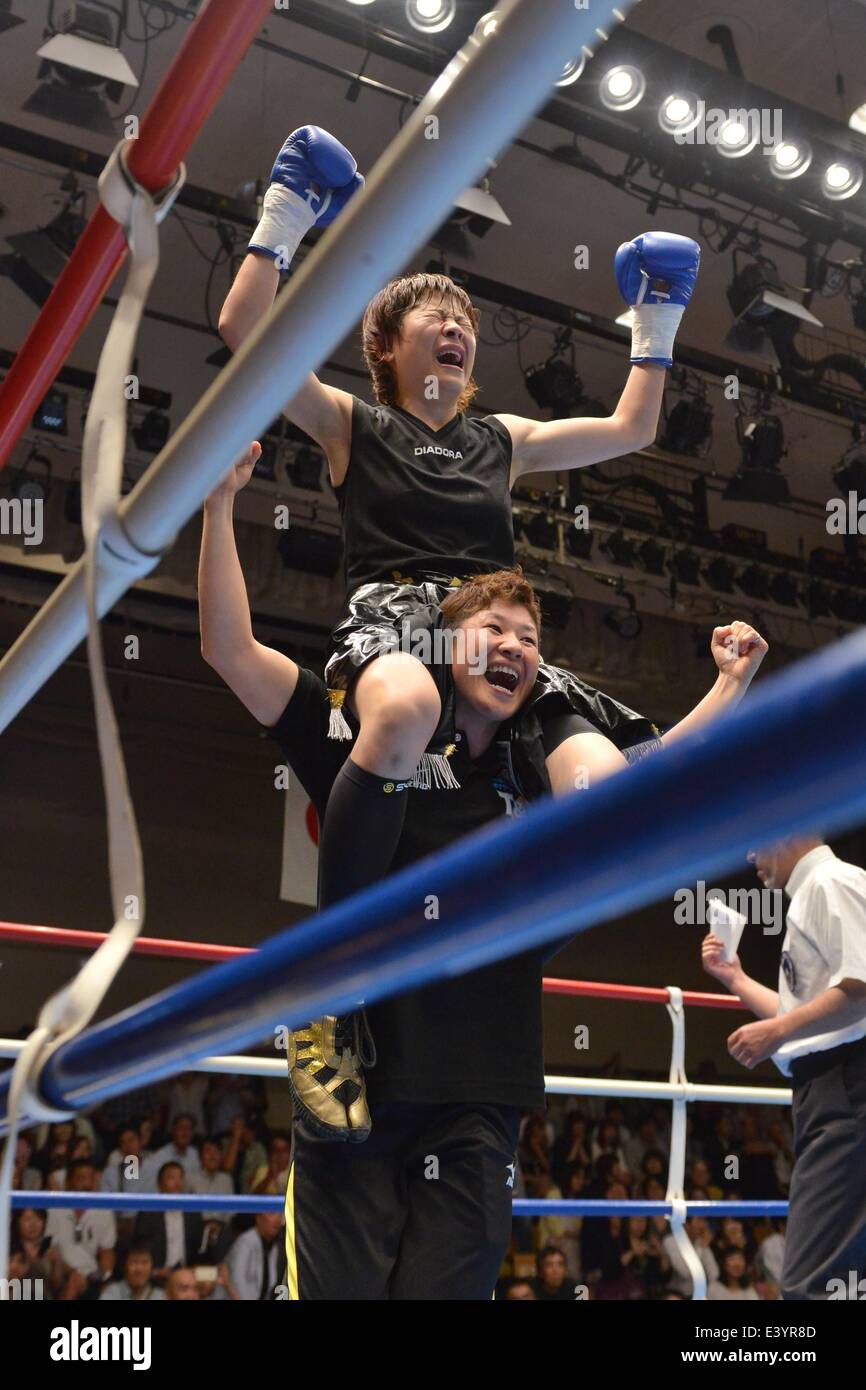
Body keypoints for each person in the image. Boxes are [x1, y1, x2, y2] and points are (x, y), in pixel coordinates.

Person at [217, 124, 701, 1140]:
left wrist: (653, 315)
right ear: (384, 346)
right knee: (401, 704)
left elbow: (633, 429)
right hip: (396, 631)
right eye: (435, 317)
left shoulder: (503, 441)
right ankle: (337, 971)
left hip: (499, 646)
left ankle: (501, 946)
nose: (457, 330)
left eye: (466, 323)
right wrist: (284, 213)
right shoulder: (353, 421)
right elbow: (243, 329)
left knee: (605, 798)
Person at [200, 514, 767, 1297]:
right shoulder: (365, 727)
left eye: (531, 639)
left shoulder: (539, 763)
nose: (516, 647)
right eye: (495, 628)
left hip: (479, 1095)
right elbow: (230, 650)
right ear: (438, 644)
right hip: (355, 1079)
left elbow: (650, 777)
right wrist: (217, 502)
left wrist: (729, 685)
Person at [702, 834, 866, 1299]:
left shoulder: (832, 882)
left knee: (812, 1281)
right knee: (845, 1279)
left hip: (847, 1088)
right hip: (831, 1091)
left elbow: (861, 989)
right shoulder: (814, 893)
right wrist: (735, 978)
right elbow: (809, 1013)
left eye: (757, 840)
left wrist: (777, 1033)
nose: (751, 855)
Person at [131, 1162, 205, 1285]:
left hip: (187, 1275)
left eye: (180, 1178)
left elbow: (198, 1249)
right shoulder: (147, 1213)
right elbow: (139, 1249)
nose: (177, 1183)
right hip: (156, 1276)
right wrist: (155, 1271)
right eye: (171, 1178)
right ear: (159, 1185)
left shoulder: (193, 1212)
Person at [100, 1244, 166, 1302]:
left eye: (145, 1262)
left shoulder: (161, 1296)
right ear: (124, 1266)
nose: (139, 1269)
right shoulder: (112, 1293)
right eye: (134, 1262)